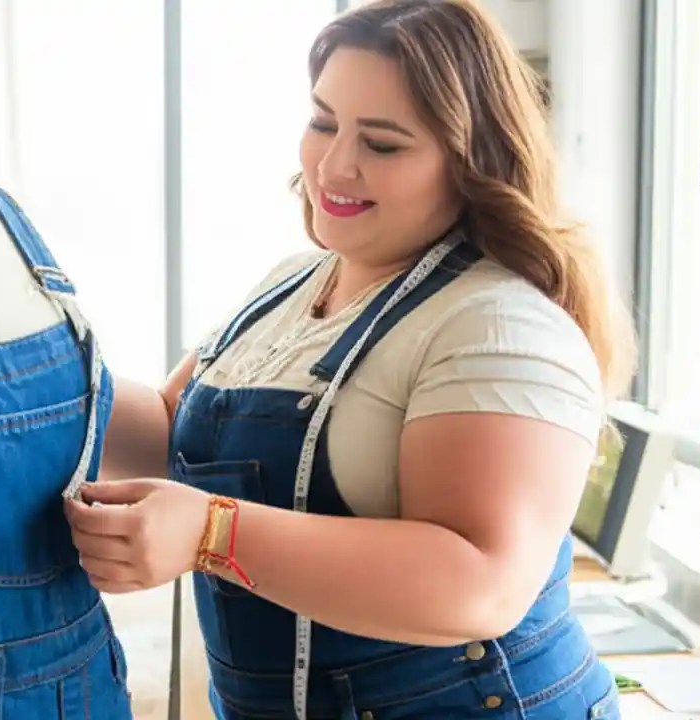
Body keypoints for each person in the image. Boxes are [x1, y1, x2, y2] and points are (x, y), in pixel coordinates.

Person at [65, 0, 636, 717]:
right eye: (324, 121)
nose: (334, 164)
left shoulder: (497, 327)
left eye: (384, 144)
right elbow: (171, 430)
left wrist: (212, 532)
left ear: (469, 162)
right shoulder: (289, 284)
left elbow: (480, 582)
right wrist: (44, 373)